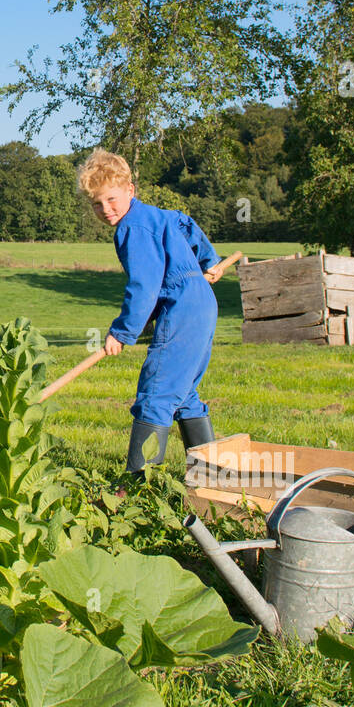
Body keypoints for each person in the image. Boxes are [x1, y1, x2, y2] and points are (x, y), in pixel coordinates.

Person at [78, 149, 226, 477]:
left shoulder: (131, 228)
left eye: (112, 199)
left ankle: (137, 487)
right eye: (97, 204)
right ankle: (210, 476)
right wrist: (209, 260)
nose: (106, 210)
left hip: (183, 306)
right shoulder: (156, 215)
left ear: (131, 189)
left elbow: (145, 285)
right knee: (183, 391)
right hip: (202, 301)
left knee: (157, 391)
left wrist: (123, 331)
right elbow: (187, 225)